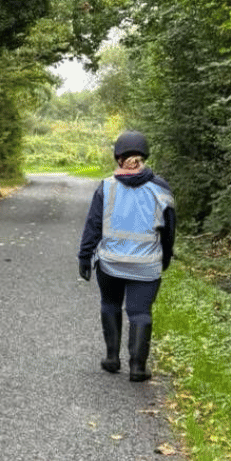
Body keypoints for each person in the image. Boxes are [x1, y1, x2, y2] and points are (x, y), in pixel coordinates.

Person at [77, 130, 176, 382]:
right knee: (140, 312)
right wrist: (165, 258)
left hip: (110, 263)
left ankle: (112, 358)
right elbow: (169, 229)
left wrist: (84, 257)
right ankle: (138, 367)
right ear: (145, 156)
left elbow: (93, 225)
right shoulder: (161, 188)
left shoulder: (107, 186)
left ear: (118, 157)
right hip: (146, 265)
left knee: (110, 304)